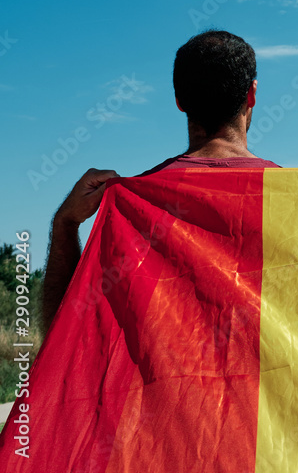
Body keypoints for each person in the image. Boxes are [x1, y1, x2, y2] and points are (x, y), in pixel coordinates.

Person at [42, 30, 279, 330]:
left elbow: (67, 342)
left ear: (179, 101)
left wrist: (64, 223)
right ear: (252, 95)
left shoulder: (135, 213)